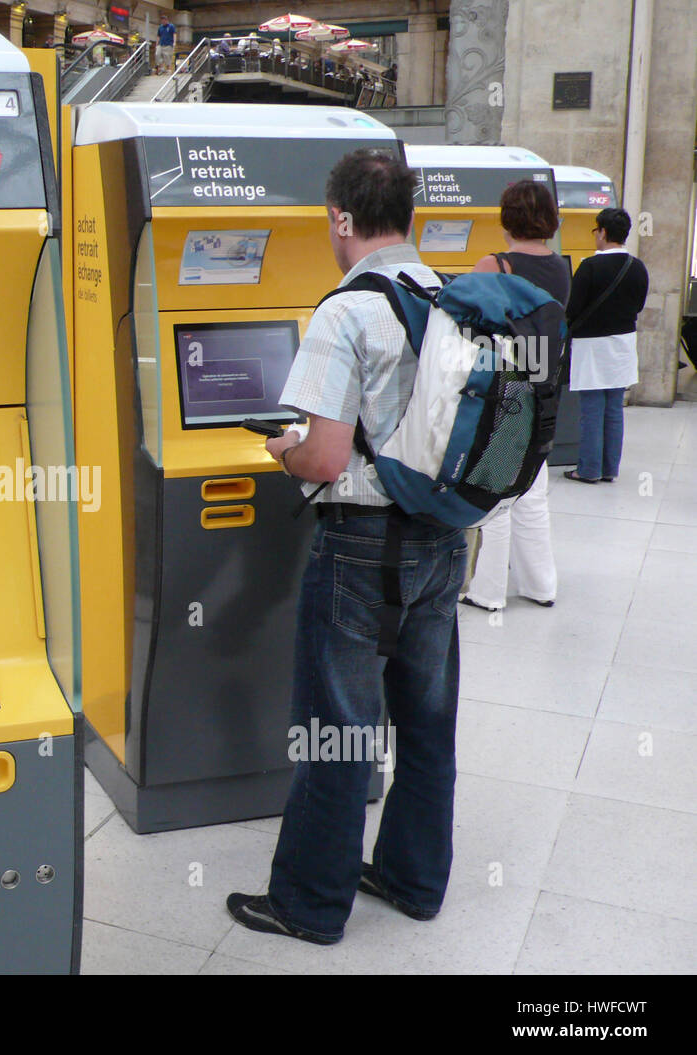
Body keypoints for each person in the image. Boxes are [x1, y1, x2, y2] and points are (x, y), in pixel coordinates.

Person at [226, 150, 468, 944]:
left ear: (340, 217)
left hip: (361, 545)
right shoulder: (451, 295)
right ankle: (412, 878)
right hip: (440, 539)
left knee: (339, 728)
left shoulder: (344, 311)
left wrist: (281, 450)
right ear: (409, 215)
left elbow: (325, 458)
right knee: (427, 725)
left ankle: (309, 903)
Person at [461, 180, 570, 611]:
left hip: (505, 384)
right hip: (545, 380)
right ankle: (540, 584)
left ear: (507, 216)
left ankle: (487, 592)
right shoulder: (560, 266)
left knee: (497, 489)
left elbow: (462, 319)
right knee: (533, 488)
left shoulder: (496, 265)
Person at [564, 208, 650, 483]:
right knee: (614, 408)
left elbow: (573, 308)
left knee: (591, 409)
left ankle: (588, 469)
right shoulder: (637, 267)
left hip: (591, 346)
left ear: (601, 232)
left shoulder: (589, 266)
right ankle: (609, 468)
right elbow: (638, 305)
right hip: (622, 344)